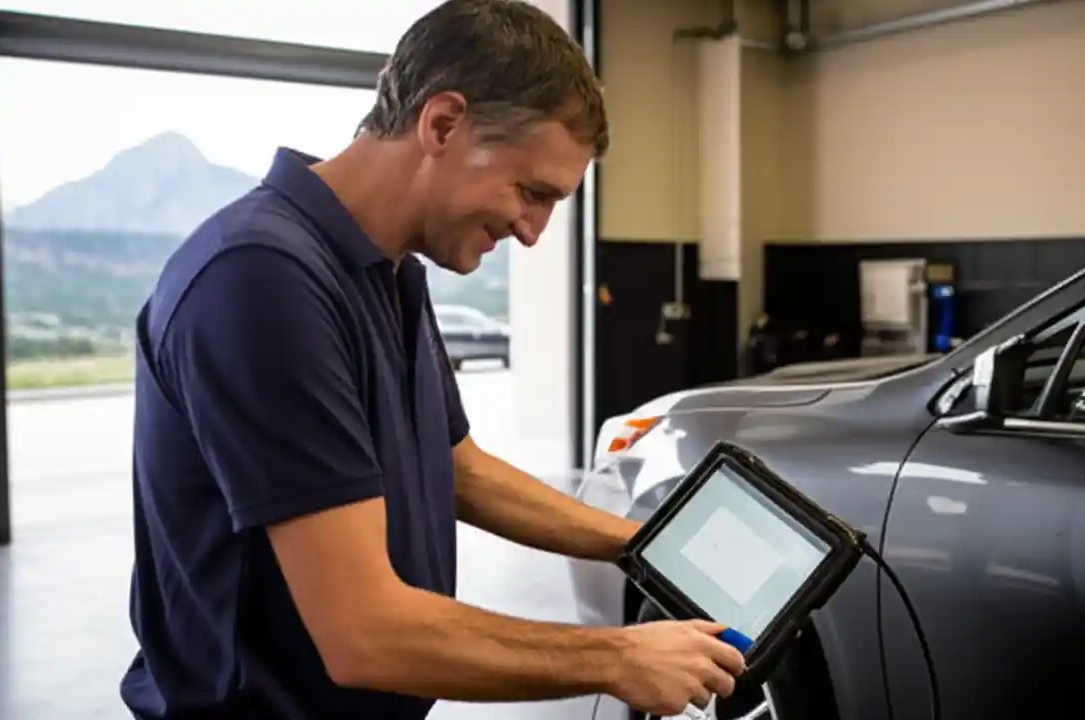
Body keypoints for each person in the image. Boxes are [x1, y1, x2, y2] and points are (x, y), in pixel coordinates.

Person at [119, 1, 745, 719]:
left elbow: (457, 469)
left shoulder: (388, 268)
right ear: (442, 124)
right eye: (530, 192)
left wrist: (644, 544)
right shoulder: (260, 277)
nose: (533, 232)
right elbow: (365, 633)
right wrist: (618, 656)